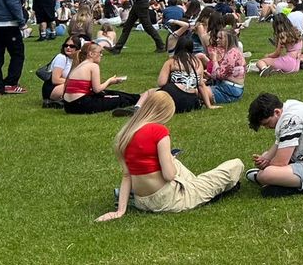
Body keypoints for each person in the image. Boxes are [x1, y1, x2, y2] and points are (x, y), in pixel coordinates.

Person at [96, 91, 243, 221]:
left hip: (142, 201)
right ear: (164, 113)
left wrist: (120, 211)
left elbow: (127, 175)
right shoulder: (159, 131)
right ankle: (204, 190)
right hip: (167, 199)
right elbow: (168, 175)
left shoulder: (126, 134)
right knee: (235, 165)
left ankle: (194, 186)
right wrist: (170, 162)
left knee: (175, 163)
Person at [62, 42, 139, 114]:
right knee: (120, 99)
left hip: (68, 106)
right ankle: (139, 99)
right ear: (91, 54)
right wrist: (109, 81)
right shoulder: (93, 66)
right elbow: (97, 89)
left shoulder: (78, 65)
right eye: (100, 53)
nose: (101, 55)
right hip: (81, 104)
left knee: (108, 92)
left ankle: (138, 97)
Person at [152, 45, 218, 113]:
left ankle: (141, 105)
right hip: (190, 99)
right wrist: (208, 105)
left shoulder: (172, 61)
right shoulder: (197, 62)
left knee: (150, 92)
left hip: (173, 96)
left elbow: (161, 83)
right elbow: (201, 85)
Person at [205, 29, 247, 104]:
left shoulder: (231, 54)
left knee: (200, 92)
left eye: (220, 38)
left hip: (229, 89)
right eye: (217, 38)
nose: (217, 40)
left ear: (228, 39)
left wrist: (214, 59)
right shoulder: (235, 51)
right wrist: (211, 76)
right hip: (234, 88)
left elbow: (220, 75)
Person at [41, 36, 81, 106]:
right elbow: (55, 80)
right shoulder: (61, 58)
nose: (68, 48)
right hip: (52, 88)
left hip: (63, 86)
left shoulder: (76, 60)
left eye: (72, 46)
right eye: (66, 45)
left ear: (77, 49)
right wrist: (74, 82)